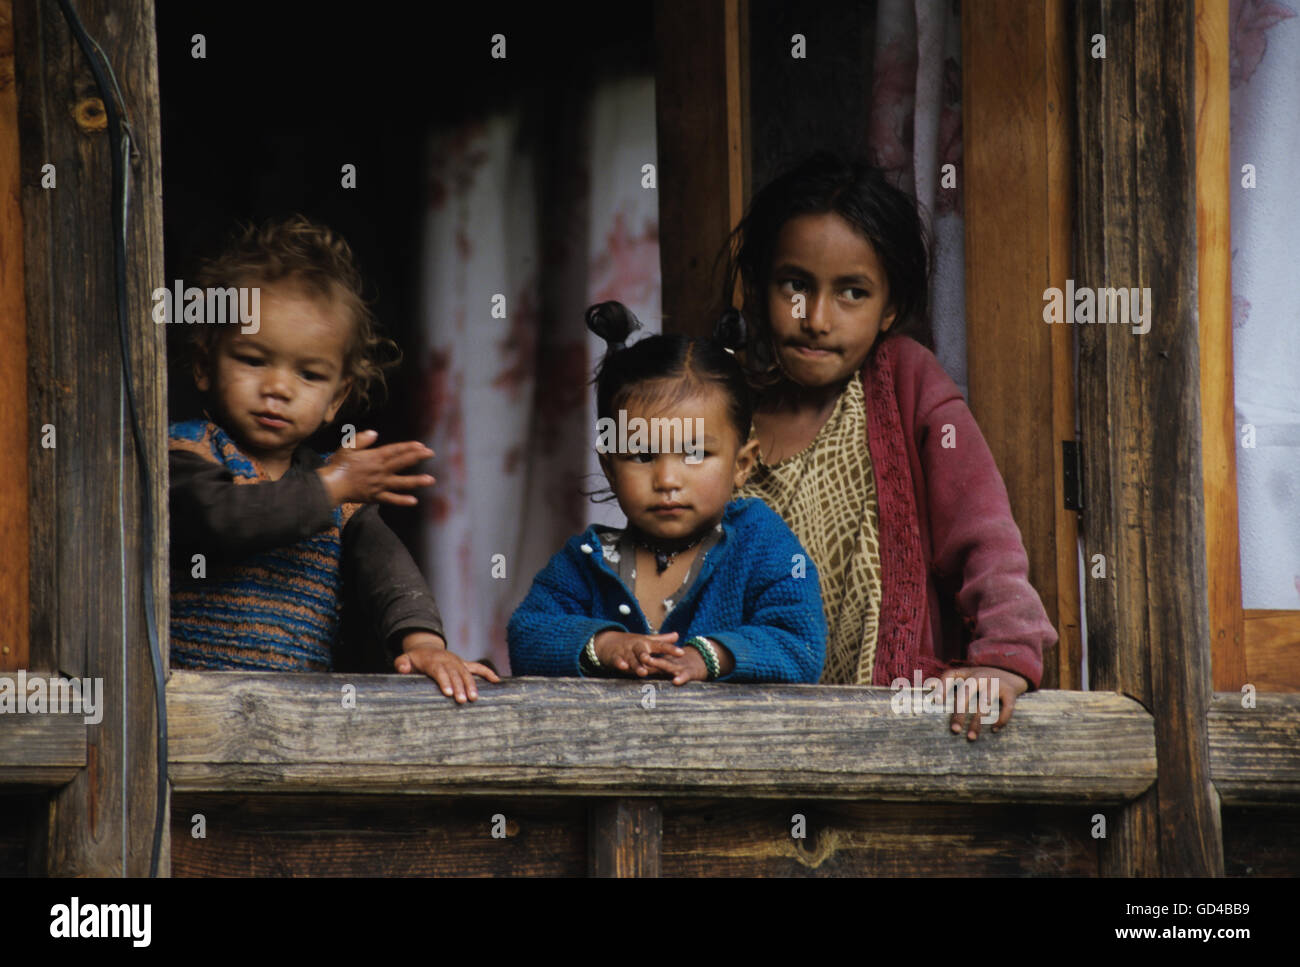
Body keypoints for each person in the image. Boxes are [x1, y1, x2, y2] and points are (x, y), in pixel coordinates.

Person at [725, 152, 1057, 738]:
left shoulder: (904, 384)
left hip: (891, 732)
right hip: (744, 730)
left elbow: (984, 532)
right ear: (757, 287)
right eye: (795, 285)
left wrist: (1003, 658)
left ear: (891, 309)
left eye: (852, 292)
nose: (818, 318)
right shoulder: (723, 411)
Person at [169, 215, 498, 702]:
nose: (278, 388)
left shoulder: (341, 499)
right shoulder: (188, 452)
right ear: (203, 365)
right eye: (254, 360)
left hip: (296, 713)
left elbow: (389, 572)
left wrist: (424, 644)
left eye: (308, 374)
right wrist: (331, 485)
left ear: (335, 399)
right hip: (186, 707)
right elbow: (220, 520)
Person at [507, 302, 826, 685]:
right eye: (641, 455)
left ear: (741, 464)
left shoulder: (761, 546)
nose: (667, 479)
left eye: (695, 453)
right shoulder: (587, 564)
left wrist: (709, 657)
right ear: (610, 467)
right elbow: (527, 635)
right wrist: (607, 646)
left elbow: (800, 644)